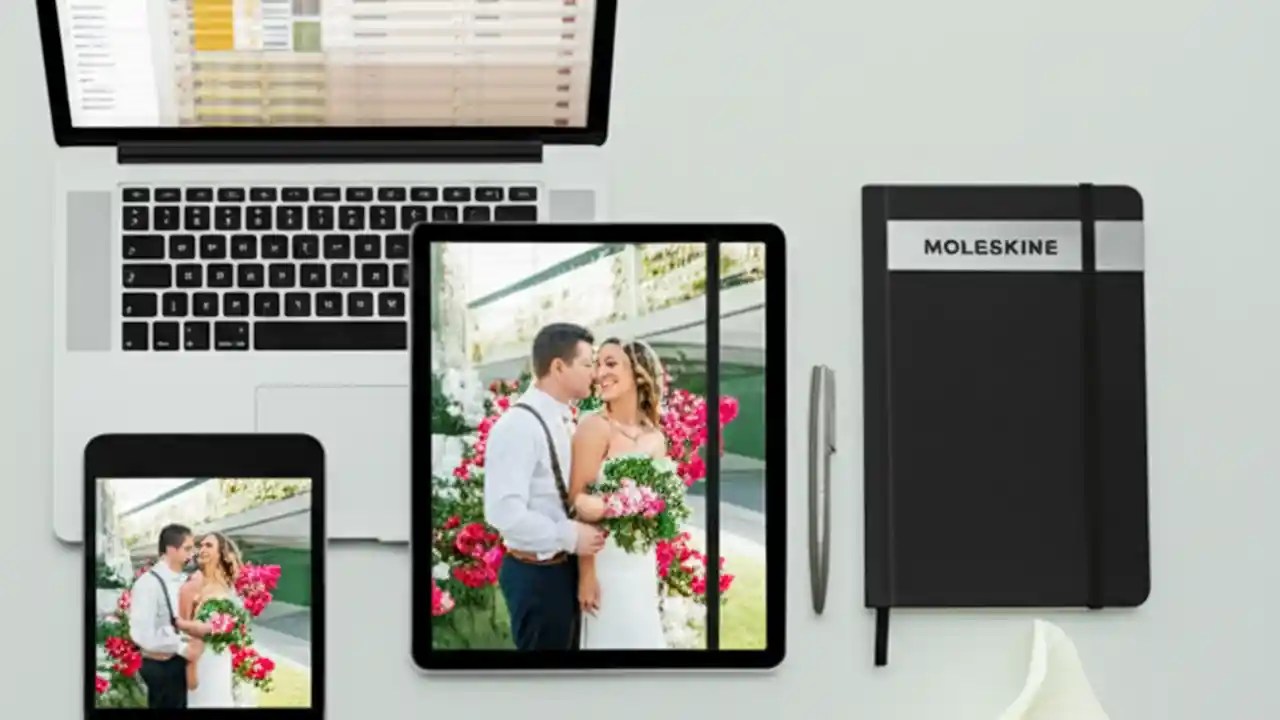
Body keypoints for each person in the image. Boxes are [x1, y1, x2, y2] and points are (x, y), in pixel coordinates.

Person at [484, 322, 608, 650]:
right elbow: (504, 512)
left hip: (562, 569)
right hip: (536, 575)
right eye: (586, 364)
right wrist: (569, 535)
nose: (594, 374)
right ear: (558, 366)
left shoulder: (565, 418)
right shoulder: (518, 427)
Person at [569, 338, 670, 649]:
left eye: (610, 364)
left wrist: (657, 510)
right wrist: (587, 574)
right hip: (605, 565)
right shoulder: (594, 427)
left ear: (639, 374)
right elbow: (576, 503)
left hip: (640, 562)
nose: (600, 373)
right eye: (598, 364)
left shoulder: (655, 437)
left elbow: (661, 505)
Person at [128, 524, 206, 709]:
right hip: (161, 667)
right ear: (171, 549)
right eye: (187, 548)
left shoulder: (186, 580)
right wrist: (181, 647)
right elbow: (140, 634)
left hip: (181, 664)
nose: (192, 554)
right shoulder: (147, 584)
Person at [179, 532, 244, 707]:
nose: (202, 549)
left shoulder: (227, 587)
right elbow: (184, 631)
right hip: (201, 665)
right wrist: (191, 669)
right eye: (201, 545)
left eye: (209, 546)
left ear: (221, 553)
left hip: (221, 661)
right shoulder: (193, 586)